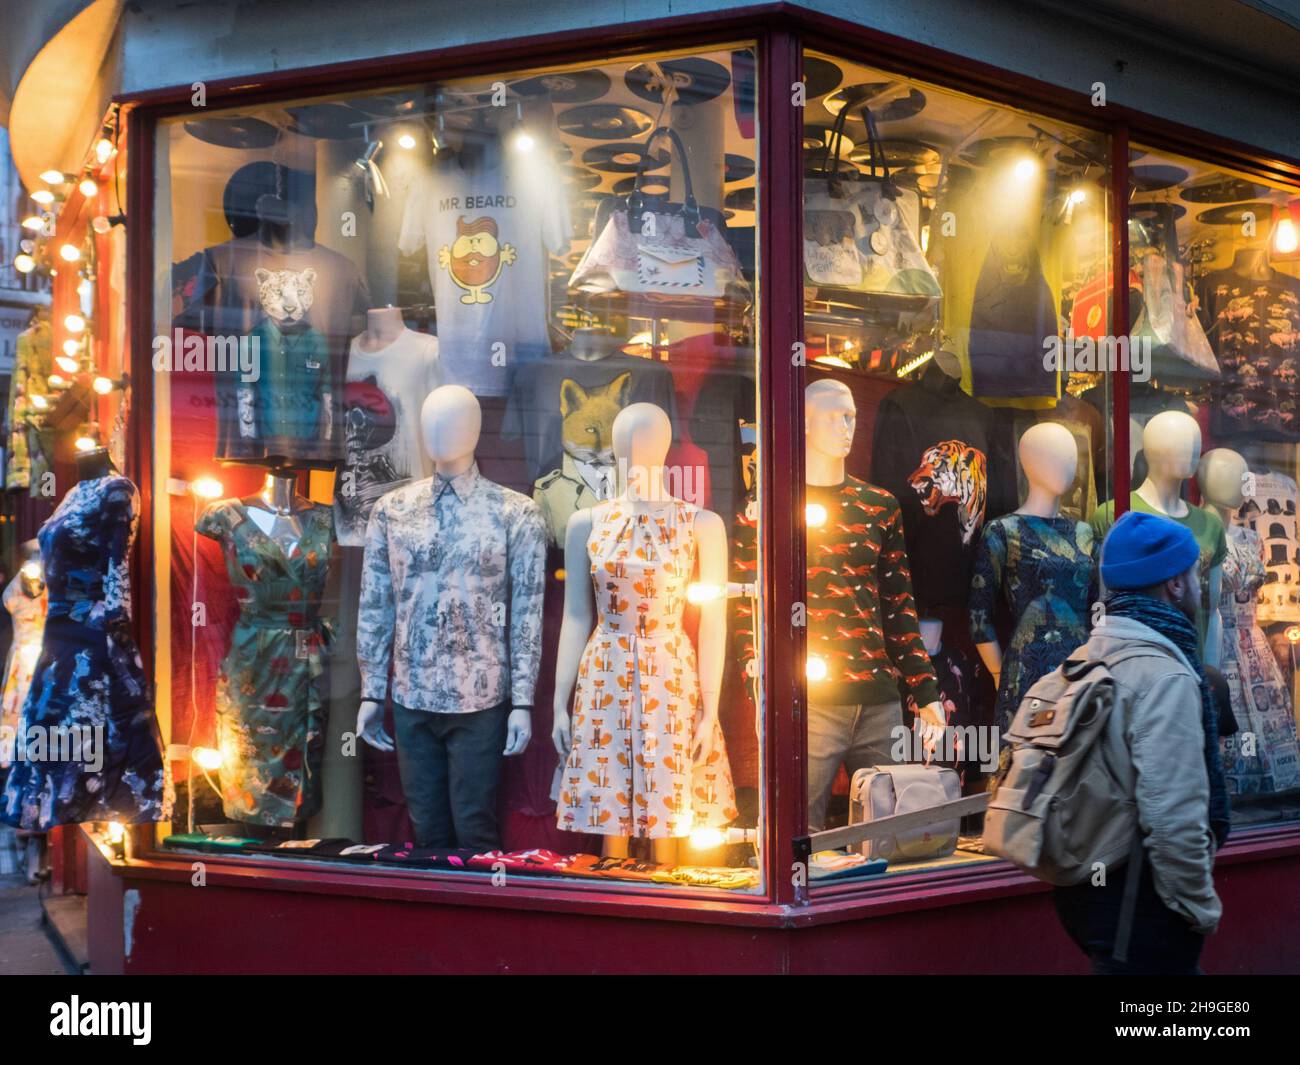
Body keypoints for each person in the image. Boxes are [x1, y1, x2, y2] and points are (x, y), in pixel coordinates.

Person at [1053, 510, 1226, 975]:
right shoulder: (1164, 675)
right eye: (1192, 571)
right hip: (1141, 905)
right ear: (1174, 584)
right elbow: (1174, 819)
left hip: (1089, 897)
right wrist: (1200, 911)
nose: (1197, 582)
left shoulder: (1085, 658)